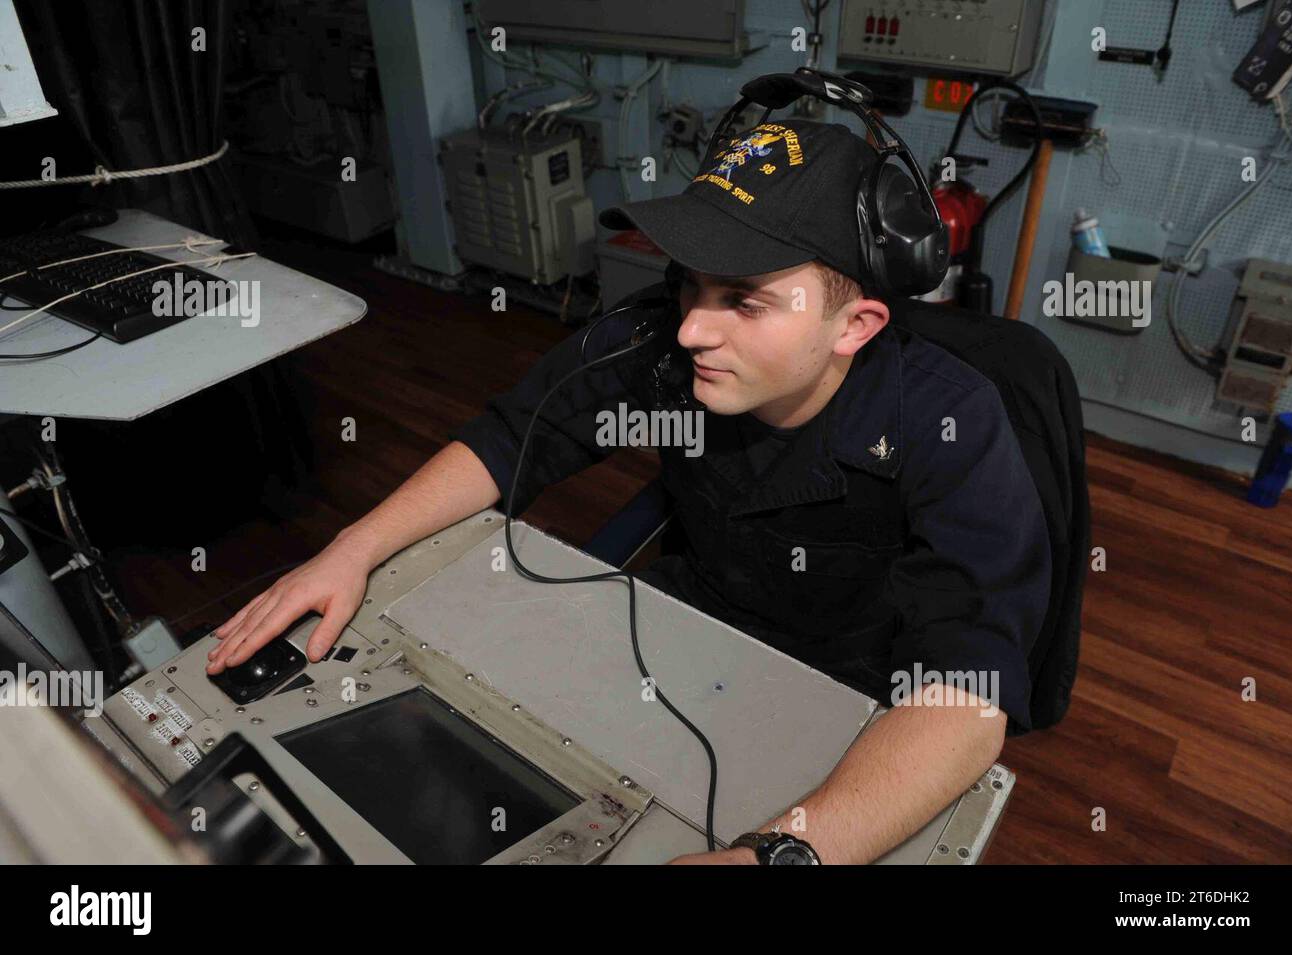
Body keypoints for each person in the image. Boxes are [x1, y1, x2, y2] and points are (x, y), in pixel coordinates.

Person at [207, 117, 1051, 864]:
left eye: (744, 301)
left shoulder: (952, 421)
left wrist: (787, 854)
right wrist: (350, 549)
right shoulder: (655, 341)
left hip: (854, 691)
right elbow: (510, 440)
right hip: (691, 629)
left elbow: (965, 699)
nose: (690, 326)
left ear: (854, 325)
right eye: (689, 281)